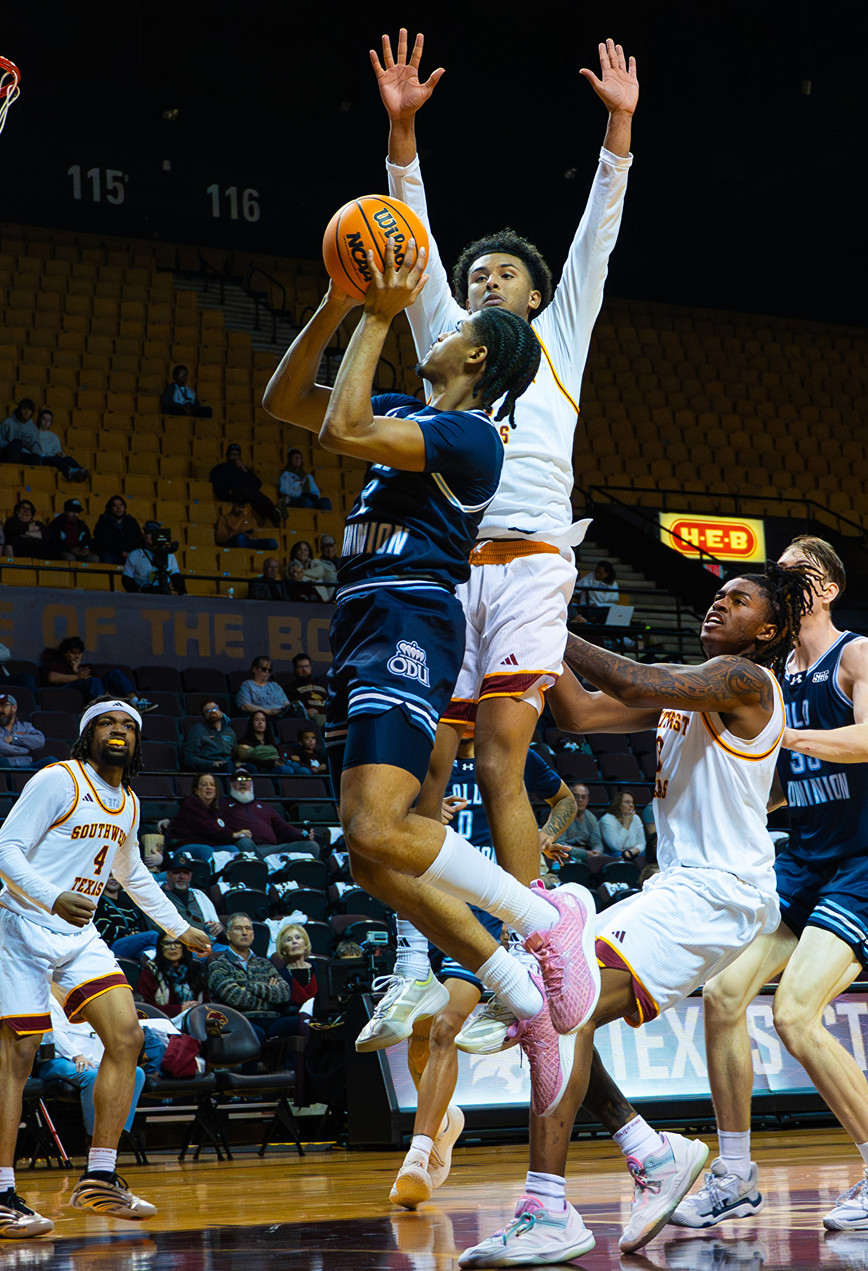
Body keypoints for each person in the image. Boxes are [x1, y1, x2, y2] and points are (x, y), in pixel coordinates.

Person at [261, 205, 592, 1174]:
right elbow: (291, 400)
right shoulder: (417, 415)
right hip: (361, 623)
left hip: (411, 622)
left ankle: (539, 925)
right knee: (370, 853)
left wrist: (374, 314)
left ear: (480, 363)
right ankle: (511, 979)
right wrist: (336, 301)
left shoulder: (469, 439)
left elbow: (343, 424)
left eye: (447, 332)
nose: (433, 330)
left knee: (384, 824)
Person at [454, 555, 816, 1263]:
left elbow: (628, 678)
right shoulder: (698, 689)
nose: (719, 604)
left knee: (560, 999)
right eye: (717, 595)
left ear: (766, 629)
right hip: (683, 889)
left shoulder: (744, 679)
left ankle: (550, 1209)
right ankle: (650, 1154)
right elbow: (582, 710)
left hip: (718, 892)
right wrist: (525, 633)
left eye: (737, 600)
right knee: (553, 1002)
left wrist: (545, 616)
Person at [364, 32, 634, 974]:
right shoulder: (449, 337)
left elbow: (596, 230)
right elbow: (414, 238)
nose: (485, 282)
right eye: (479, 277)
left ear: (538, 293)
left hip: (529, 561)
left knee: (502, 758)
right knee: (427, 772)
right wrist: (402, 137)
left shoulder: (562, 331)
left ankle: (545, 945)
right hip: (448, 562)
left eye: (505, 274)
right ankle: (419, 956)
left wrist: (619, 128)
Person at [656, 536, 868, 1244]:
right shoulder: (774, 670)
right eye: (777, 570)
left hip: (867, 856)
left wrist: (786, 735)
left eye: (798, 569)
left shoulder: (859, 654)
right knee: (720, 994)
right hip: (803, 856)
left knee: (795, 1014)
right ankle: (736, 1174)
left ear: (829, 587)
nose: (783, 576)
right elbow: (775, 785)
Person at [0, 700, 211, 1239]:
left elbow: (133, 874)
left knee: (127, 1038)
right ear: (87, 736)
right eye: (108, 723)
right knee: (19, 1056)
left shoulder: (127, 801)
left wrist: (177, 927)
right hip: (22, 927)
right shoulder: (58, 780)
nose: (119, 731)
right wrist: (52, 897)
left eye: (129, 725)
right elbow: (2, 852)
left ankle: (100, 1177)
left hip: (78, 935)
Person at [381, 735, 574, 1208]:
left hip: (488, 910)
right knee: (420, 1035)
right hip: (429, 898)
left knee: (446, 1026)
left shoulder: (511, 752)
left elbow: (565, 801)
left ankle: (418, 1155)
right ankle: (444, 1122)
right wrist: (425, 817)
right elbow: (385, 818)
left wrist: (545, 834)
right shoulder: (429, 754)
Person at [206, 913, 299, 1039]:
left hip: (273, 1019)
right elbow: (235, 998)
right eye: (238, 928)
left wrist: (248, 986)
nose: (245, 932)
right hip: (239, 1020)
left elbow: (284, 993)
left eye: (248, 928)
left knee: (305, 1022)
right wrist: (268, 992)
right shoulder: (219, 965)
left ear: (253, 935)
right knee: (257, 1034)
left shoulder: (265, 964)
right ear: (228, 935)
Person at [41, 635, 134, 703]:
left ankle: (134, 701)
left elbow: (93, 680)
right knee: (93, 681)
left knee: (115, 673)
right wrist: (77, 676)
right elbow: (52, 678)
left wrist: (79, 672)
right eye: (73, 653)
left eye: (79, 653)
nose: (77, 656)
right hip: (69, 689)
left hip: (89, 687)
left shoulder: (84, 667)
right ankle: (102, 707)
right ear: (65, 653)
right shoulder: (60, 665)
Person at [208, 442, 280, 525]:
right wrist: (228, 491)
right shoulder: (220, 468)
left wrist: (244, 470)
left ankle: (270, 514)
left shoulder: (243, 470)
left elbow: (257, 484)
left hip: (246, 495)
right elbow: (217, 485)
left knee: (252, 492)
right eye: (233, 455)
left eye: (237, 455)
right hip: (231, 494)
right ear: (228, 455)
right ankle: (271, 511)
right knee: (247, 491)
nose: (235, 457)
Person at [131, 933, 206, 1012]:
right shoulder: (150, 971)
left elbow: (206, 1001)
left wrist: (196, 1008)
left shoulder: (196, 967)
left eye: (177, 943)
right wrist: (180, 1009)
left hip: (194, 1017)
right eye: (167, 944)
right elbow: (146, 1006)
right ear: (161, 948)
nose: (172, 948)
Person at [0, 693, 48, 768]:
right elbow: (0, 747)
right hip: (6, 766)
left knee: (50, 761)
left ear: (14, 708)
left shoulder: (26, 726)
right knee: (2, 762)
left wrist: (15, 739)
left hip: (28, 766)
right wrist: (27, 750)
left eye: (4, 705)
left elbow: (40, 741)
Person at [122, 520, 183, 594]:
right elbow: (127, 578)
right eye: (149, 533)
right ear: (144, 535)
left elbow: (175, 574)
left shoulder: (169, 554)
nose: (152, 536)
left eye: (155, 533)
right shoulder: (135, 555)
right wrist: (140, 590)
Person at [179, 701, 235, 773]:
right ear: (204, 716)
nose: (213, 712)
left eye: (215, 709)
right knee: (227, 767)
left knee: (250, 767)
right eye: (208, 711)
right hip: (209, 766)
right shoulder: (198, 730)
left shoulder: (229, 731)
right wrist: (212, 763)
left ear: (220, 712)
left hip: (228, 764)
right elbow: (189, 758)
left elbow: (234, 754)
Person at [93, 496, 145, 565]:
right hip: (111, 552)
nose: (118, 508)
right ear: (110, 508)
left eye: (121, 505)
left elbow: (138, 539)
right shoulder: (103, 521)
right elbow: (102, 541)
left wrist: (131, 553)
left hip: (130, 553)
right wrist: (120, 552)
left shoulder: (131, 521)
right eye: (115, 505)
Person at [597, 790, 647, 861]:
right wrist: (626, 824)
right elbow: (616, 847)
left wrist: (631, 852)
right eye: (627, 802)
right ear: (618, 804)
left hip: (633, 853)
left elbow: (642, 843)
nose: (631, 805)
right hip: (613, 855)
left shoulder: (635, 818)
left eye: (632, 802)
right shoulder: (607, 820)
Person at [213, 499, 279, 552]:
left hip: (247, 544)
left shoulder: (251, 521)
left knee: (272, 543)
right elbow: (220, 539)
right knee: (240, 537)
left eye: (243, 507)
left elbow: (255, 537)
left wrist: (249, 536)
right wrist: (242, 519)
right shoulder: (223, 518)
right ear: (233, 505)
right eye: (239, 507)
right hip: (231, 543)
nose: (241, 510)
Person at [288, 537, 337, 602]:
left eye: (305, 550)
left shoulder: (314, 562)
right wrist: (313, 577)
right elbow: (297, 577)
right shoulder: (292, 566)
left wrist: (303, 573)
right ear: (295, 552)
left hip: (323, 599)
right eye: (300, 550)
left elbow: (319, 573)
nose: (303, 552)